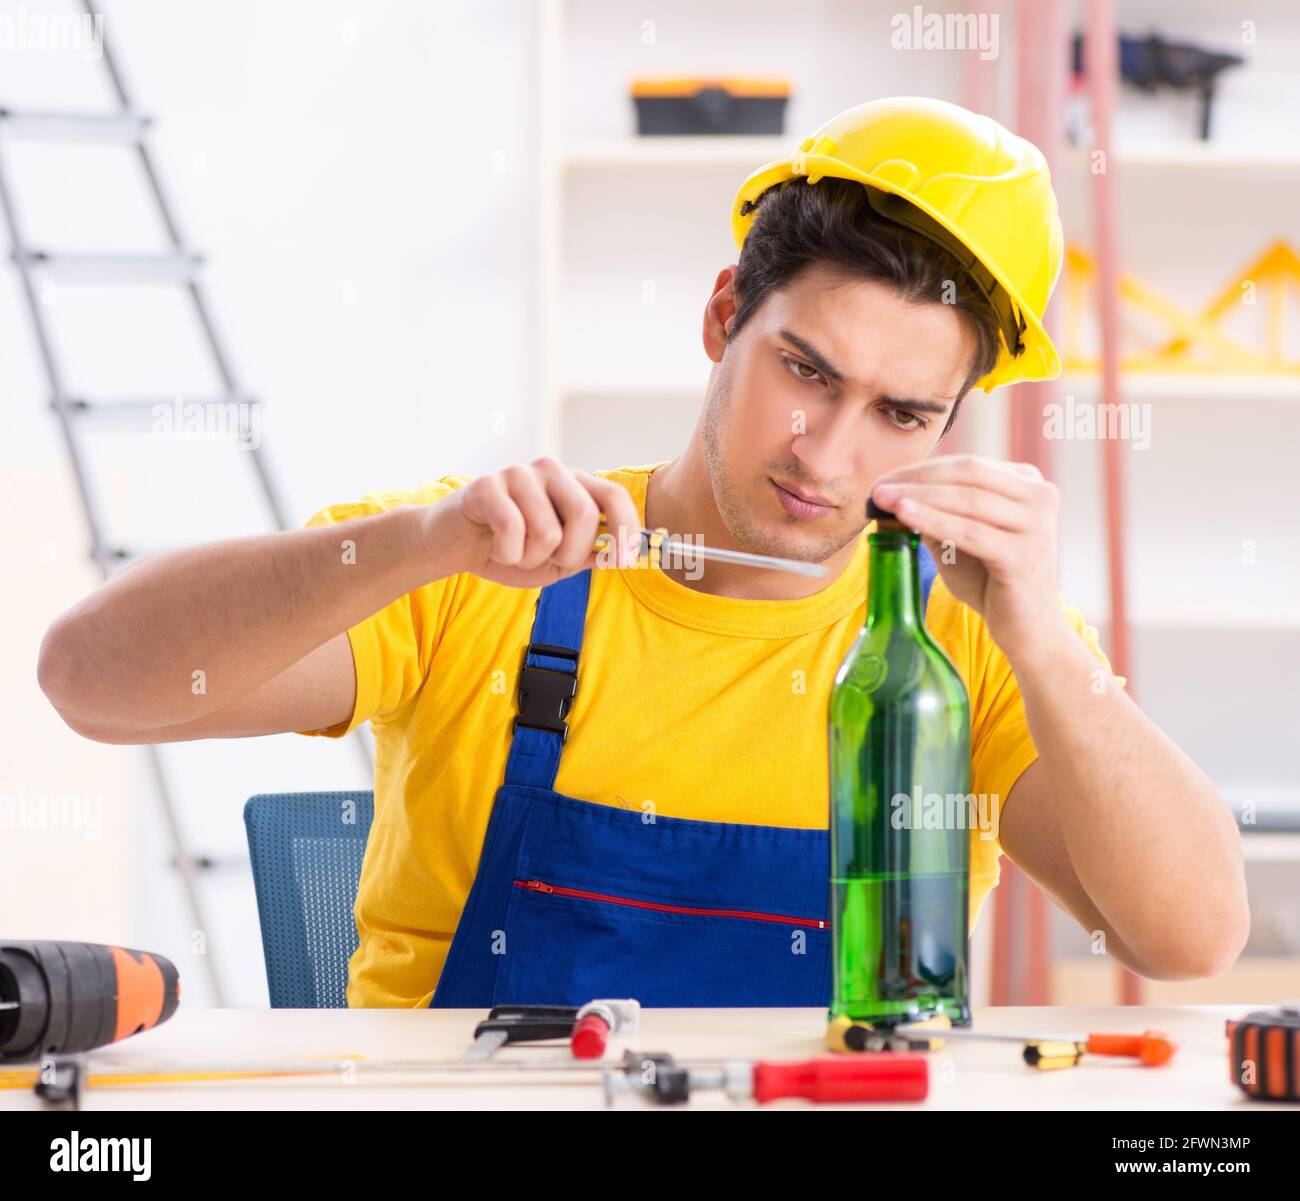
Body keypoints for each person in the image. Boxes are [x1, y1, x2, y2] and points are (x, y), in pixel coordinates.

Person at [38, 97, 1249, 1008]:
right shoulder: (485, 561)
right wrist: (415, 544)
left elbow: (1186, 939)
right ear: (726, 316)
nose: (827, 453)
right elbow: (90, 682)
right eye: (806, 371)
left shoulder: (963, 633)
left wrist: (1042, 638)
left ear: (950, 422)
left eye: (900, 414)